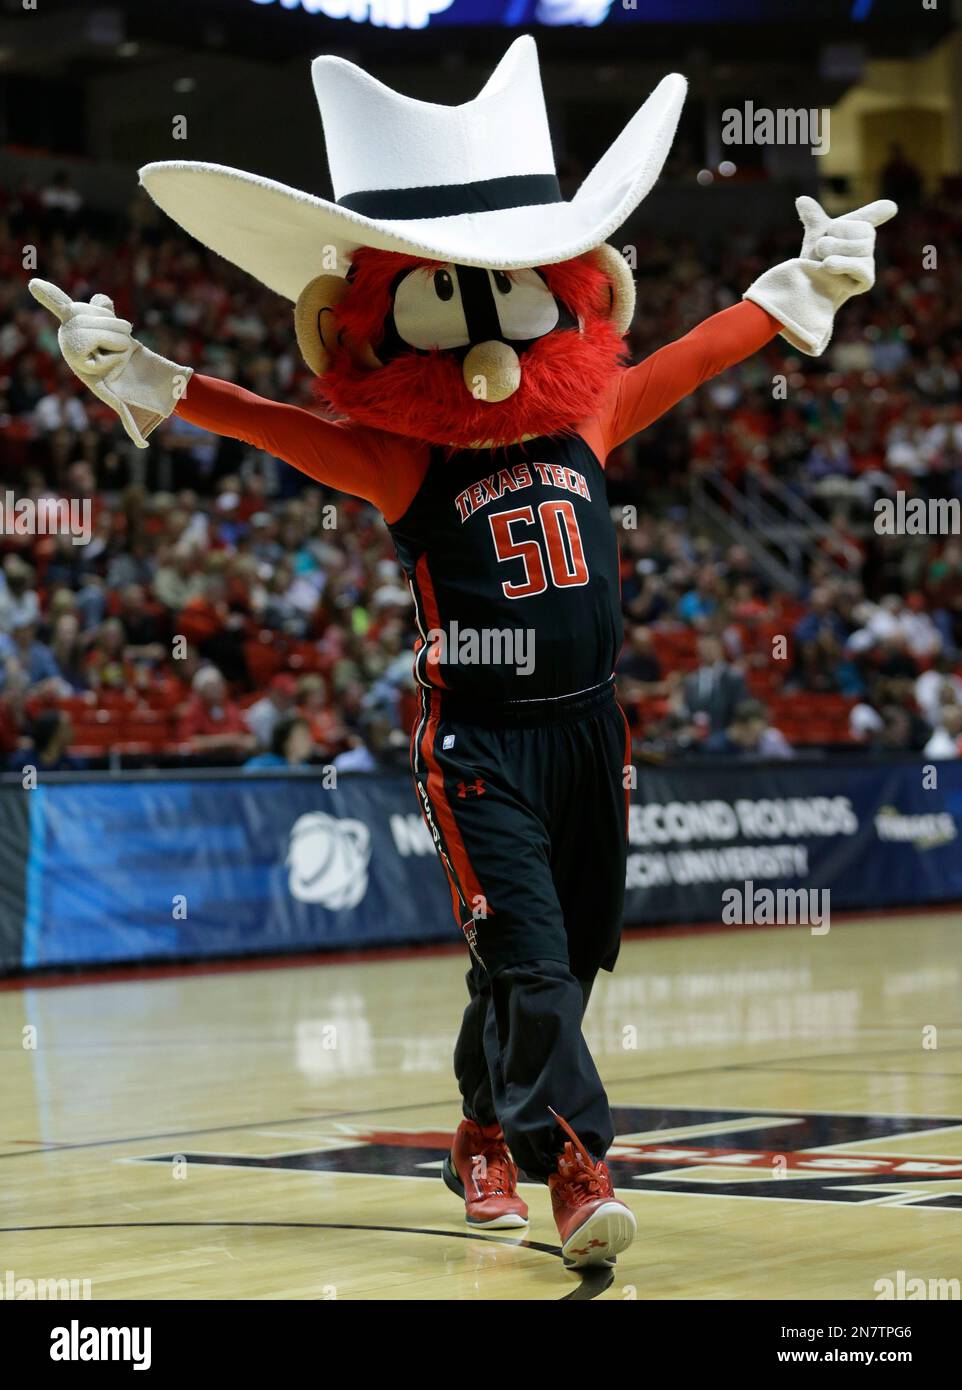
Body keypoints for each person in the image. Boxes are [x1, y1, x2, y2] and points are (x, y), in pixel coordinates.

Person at [29, 38, 897, 1270]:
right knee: (531, 961)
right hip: (476, 739)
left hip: (592, 730)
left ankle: (479, 1127)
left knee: (553, 964)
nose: (485, 335)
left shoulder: (590, 412)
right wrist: (150, 374)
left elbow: (694, 356)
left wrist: (798, 285)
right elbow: (271, 425)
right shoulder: (400, 461)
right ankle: (580, 1169)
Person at [244, 715, 314, 770]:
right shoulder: (261, 765)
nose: (309, 741)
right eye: (303, 736)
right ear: (286, 742)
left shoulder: (306, 769)